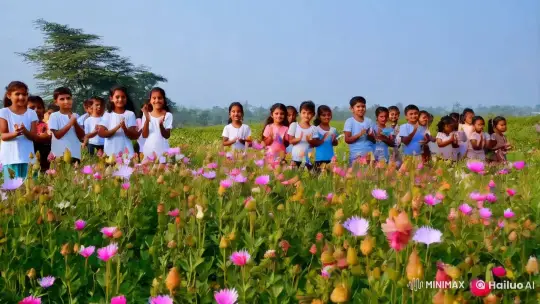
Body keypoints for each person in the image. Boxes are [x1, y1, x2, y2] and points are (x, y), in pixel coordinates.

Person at [0, 81, 39, 179]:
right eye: (17, 94)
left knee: (31, 189)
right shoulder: (4, 112)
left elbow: (34, 136)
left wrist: (25, 131)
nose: (21, 97)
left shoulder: (31, 113)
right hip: (10, 158)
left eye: (24, 94)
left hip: (28, 159)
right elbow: (3, 136)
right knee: (12, 190)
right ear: (9, 95)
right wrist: (16, 133)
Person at [97, 86, 138, 157]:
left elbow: (133, 136)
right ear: (111, 99)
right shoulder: (108, 114)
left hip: (127, 153)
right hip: (110, 153)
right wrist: (117, 127)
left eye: (123, 97)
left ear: (126, 99)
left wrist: (124, 128)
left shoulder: (130, 114)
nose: (120, 99)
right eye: (117, 97)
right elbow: (101, 133)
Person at [48, 87, 85, 164]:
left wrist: (75, 123)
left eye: (68, 98)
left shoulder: (76, 116)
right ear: (56, 102)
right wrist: (70, 123)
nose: (66, 101)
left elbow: (81, 136)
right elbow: (58, 135)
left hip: (75, 154)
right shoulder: (54, 116)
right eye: (62, 99)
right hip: (59, 155)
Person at [141, 87, 173, 162]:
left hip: (163, 149)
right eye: (154, 98)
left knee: (162, 170)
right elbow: (144, 135)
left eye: (159, 98)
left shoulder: (168, 115)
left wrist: (161, 125)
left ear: (164, 100)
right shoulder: (146, 114)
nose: (157, 100)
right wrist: (147, 119)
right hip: (149, 149)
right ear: (150, 100)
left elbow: (167, 135)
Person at [344, 96, 374, 166]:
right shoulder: (349, 121)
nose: (361, 109)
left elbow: (373, 140)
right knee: (357, 175)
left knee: (369, 175)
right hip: (356, 155)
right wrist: (359, 134)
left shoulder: (369, 121)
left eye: (363, 106)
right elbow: (347, 139)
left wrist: (371, 135)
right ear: (352, 109)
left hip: (369, 154)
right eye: (358, 107)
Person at [288, 101, 318, 169]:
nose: (306, 115)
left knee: (307, 176)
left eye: (309, 113)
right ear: (300, 113)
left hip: (308, 158)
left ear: (313, 114)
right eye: (304, 113)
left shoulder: (314, 128)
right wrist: (298, 139)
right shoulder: (294, 125)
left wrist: (310, 141)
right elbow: (291, 141)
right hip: (295, 158)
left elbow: (315, 144)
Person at [28, 95, 52, 171]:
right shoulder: (23, 126)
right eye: (32, 108)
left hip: (44, 161)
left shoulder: (47, 125)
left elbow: (47, 136)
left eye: (39, 108)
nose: (36, 110)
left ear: (43, 110)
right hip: (27, 161)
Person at [311, 105, 338, 171]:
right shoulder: (315, 129)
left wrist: (334, 140)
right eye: (324, 115)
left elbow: (335, 143)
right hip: (319, 159)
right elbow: (314, 144)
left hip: (331, 159)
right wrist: (323, 138)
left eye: (328, 115)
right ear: (319, 117)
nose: (327, 117)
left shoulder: (333, 130)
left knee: (329, 180)